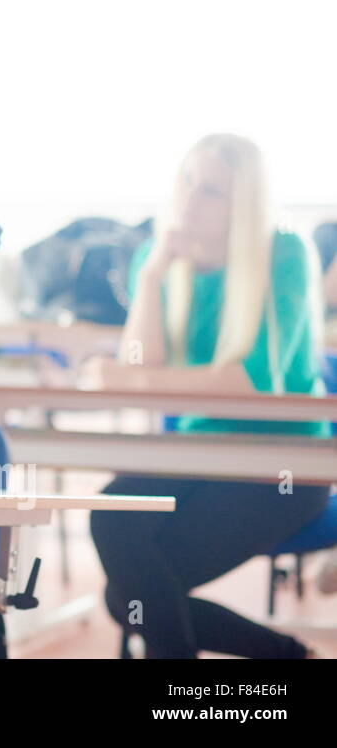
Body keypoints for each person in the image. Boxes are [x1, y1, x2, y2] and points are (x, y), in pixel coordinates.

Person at [85, 133, 330, 658]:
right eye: (188, 184)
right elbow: (138, 364)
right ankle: (285, 658)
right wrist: (151, 277)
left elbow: (247, 382)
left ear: (244, 206)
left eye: (212, 191)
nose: (190, 201)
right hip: (201, 452)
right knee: (111, 518)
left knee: (130, 592)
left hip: (286, 465)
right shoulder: (158, 256)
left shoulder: (285, 252)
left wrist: (129, 380)